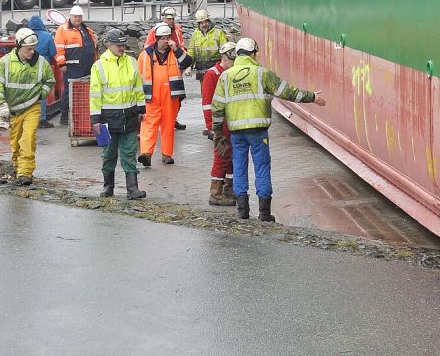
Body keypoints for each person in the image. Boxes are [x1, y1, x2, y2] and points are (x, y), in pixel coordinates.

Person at [211, 37, 326, 221]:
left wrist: (217, 132)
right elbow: (287, 91)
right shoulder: (262, 73)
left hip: (236, 133)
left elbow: (217, 107)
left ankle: (242, 211)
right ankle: (264, 213)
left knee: (239, 167)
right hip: (258, 131)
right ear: (254, 53)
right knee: (262, 168)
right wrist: (311, 97)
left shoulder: (226, 76)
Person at [0, 27, 55, 186]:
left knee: (28, 139)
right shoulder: (5, 63)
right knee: (15, 143)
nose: (32, 52)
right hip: (13, 110)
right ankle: (17, 167)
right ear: (18, 47)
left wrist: (41, 94)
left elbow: (50, 81)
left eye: (33, 48)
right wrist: (1, 105)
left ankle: (25, 173)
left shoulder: (41, 63)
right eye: (28, 49)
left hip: (32, 107)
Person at [90, 28, 147, 200]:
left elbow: (138, 87)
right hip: (105, 120)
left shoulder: (131, 62)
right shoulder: (98, 66)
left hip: (129, 117)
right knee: (108, 154)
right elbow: (94, 95)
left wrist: (142, 108)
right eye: (118, 45)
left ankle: (132, 189)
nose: (122, 48)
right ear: (109, 45)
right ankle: (108, 187)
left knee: (129, 152)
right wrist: (95, 120)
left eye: (123, 45)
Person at [137, 22, 194, 166]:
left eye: (167, 38)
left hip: (171, 95)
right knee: (149, 123)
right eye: (162, 38)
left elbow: (188, 62)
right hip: (151, 96)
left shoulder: (176, 53)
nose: (165, 41)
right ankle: (146, 154)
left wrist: (177, 49)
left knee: (168, 124)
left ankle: (167, 154)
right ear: (156, 39)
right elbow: (137, 76)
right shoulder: (145, 55)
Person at [202, 41, 237, 206]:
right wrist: (211, 128)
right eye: (232, 59)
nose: (234, 63)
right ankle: (216, 193)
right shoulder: (212, 74)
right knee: (221, 157)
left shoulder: (231, 73)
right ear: (224, 57)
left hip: (231, 123)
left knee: (231, 157)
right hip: (220, 125)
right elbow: (207, 103)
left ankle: (229, 189)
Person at [53, 5, 97, 126]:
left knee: (84, 91)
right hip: (72, 67)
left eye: (79, 17)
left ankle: (80, 114)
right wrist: (61, 63)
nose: (77, 19)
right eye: (75, 16)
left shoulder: (86, 29)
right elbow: (59, 48)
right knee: (69, 91)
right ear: (70, 17)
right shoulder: (62, 30)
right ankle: (64, 115)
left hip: (87, 66)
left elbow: (93, 47)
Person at [28, 14, 58, 128]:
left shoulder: (26, 35)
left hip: (27, 67)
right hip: (42, 66)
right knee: (42, 94)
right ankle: (41, 119)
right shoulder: (47, 36)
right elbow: (53, 53)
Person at [187, 9, 228, 81]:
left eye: (206, 22)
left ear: (209, 21)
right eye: (201, 23)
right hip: (201, 70)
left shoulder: (218, 33)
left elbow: (225, 51)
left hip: (216, 69)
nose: (204, 24)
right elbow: (191, 52)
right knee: (205, 91)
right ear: (198, 24)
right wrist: (189, 66)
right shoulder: (195, 34)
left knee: (217, 90)